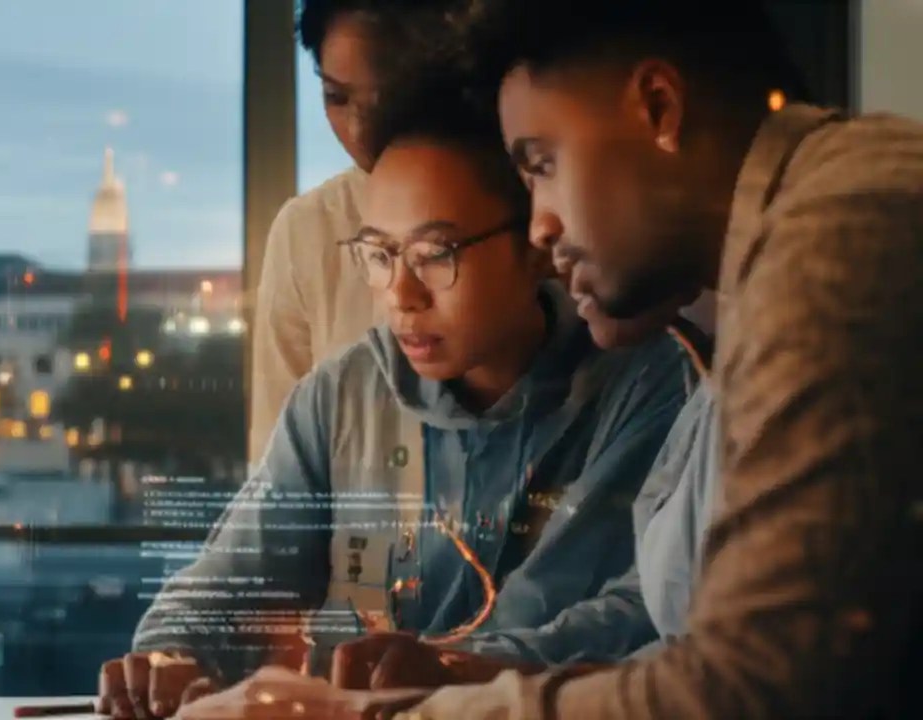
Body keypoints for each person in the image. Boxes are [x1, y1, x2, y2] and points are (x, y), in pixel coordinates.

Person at [97, 76, 699, 719]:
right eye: (380, 254)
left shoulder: (644, 383)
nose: (401, 295)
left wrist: (452, 670)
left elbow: (641, 611)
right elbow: (235, 576)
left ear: (536, 243)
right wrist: (171, 653)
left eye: (436, 254)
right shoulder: (344, 394)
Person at [383, 0, 923, 717]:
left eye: (543, 165)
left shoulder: (839, 234)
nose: (540, 228)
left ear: (659, 107)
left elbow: (755, 686)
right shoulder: (774, 259)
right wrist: (474, 682)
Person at [251, 0, 457, 462]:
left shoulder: (521, 208)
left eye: (389, 95)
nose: (361, 129)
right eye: (337, 97)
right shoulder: (309, 231)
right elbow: (273, 462)